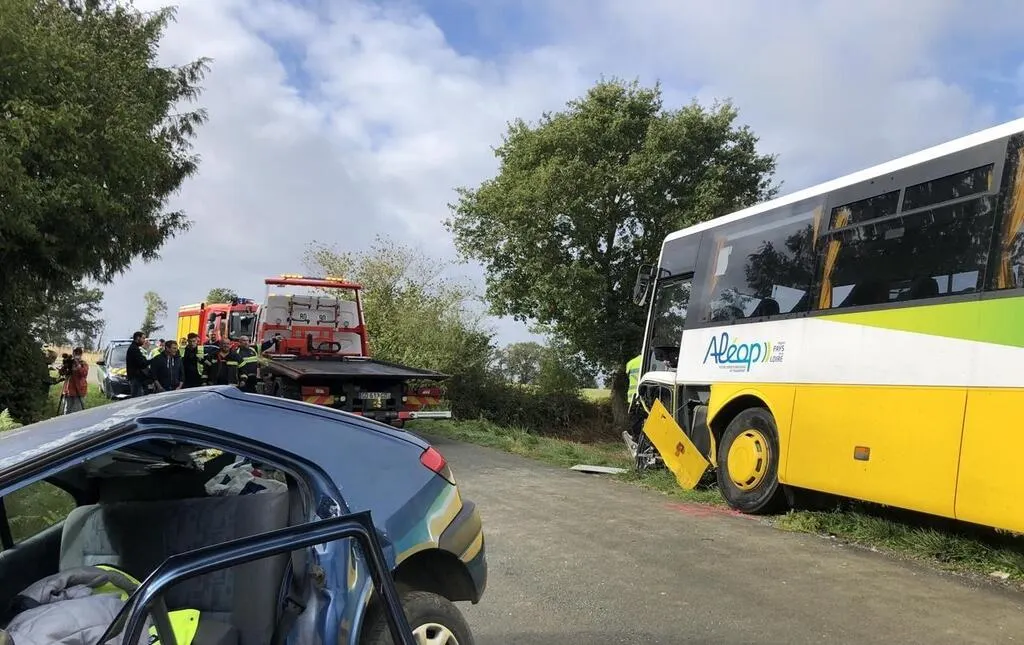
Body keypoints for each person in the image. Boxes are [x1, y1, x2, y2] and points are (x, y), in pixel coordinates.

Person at [59, 347, 89, 414]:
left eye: (79, 353)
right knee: (67, 411)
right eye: (75, 353)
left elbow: (84, 373)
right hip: (68, 390)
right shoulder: (70, 362)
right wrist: (65, 365)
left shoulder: (83, 364)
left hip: (79, 390)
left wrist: (78, 365)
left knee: (76, 412)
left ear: (81, 355)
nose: (77, 355)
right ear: (73, 354)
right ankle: (66, 423)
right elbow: (62, 372)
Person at [125, 331, 149, 397]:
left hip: (137, 378)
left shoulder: (135, 348)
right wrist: (152, 361)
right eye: (143, 338)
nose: (144, 341)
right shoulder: (134, 349)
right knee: (137, 399)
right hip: (135, 378)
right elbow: (142, 364)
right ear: (138, 338)